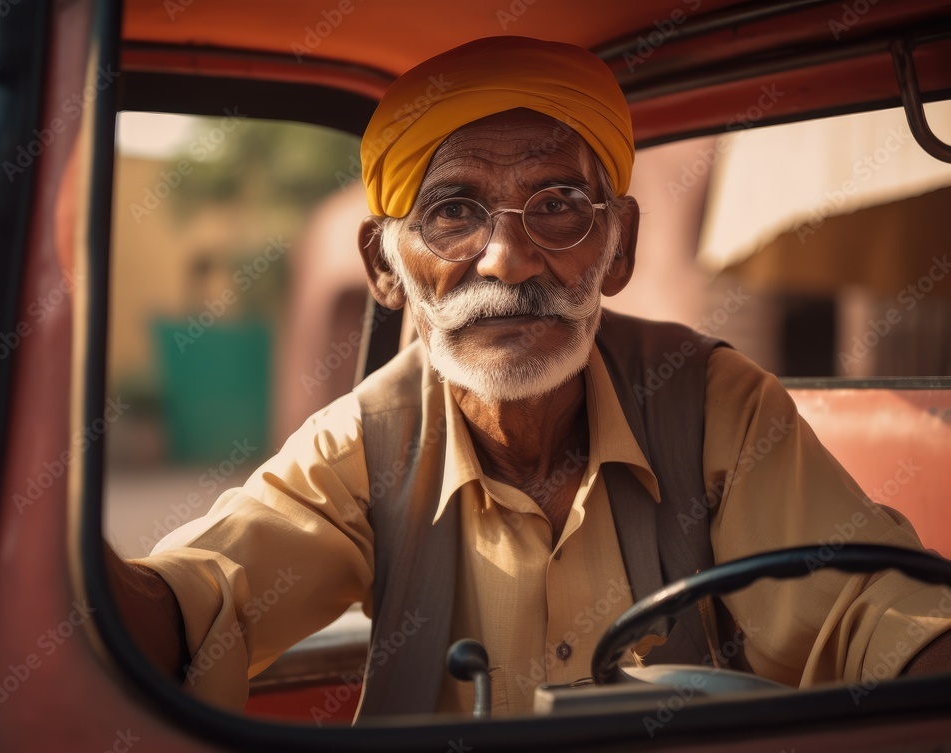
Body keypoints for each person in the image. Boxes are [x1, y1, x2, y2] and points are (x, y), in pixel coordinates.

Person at [107, 36, 951, 720]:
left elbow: (874, 606)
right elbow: (205, 597)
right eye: (452, 212)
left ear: (617, 246)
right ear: (385, 267)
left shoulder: (714, 405)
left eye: (557, 204)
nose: (509, 259)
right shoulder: (366, 444)